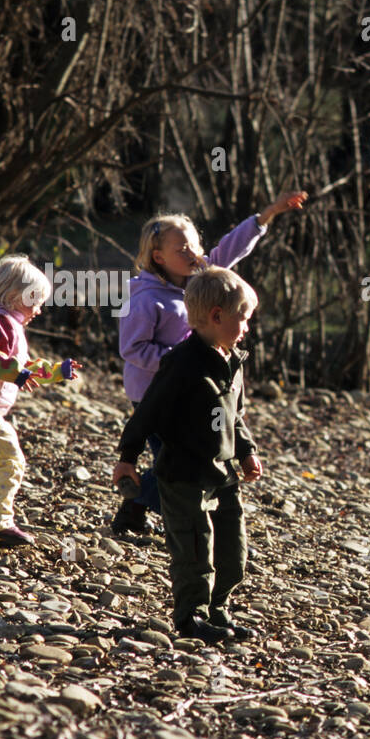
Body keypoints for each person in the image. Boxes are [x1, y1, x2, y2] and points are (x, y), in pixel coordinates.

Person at [113, 190, 305, 534]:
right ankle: (144, 503)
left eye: (194, 246)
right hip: (153, 393)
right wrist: (180, 364)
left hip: (193, 389)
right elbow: (132, 349)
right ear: (158, 257)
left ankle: (138, 504)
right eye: (181, 250)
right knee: (178, 463)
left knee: (188, 457)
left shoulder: (199, 282)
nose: (193, 254)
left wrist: (266, 216)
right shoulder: (143, 299)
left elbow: (227, 251)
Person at [114, 267, 264, 644]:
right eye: (242, 319)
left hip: (224, 473)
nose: (246, 328)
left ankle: (219, 611)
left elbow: (235, 416)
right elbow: (147, 412)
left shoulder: (232, 360)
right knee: (195, 550)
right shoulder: (181, 364)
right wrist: (127, 456)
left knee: (233, 551)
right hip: (184, 476)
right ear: (216, 316)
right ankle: (191, 617)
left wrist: (246, 452)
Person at [0, 255, 81, 546]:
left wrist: (57, 371)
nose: (40, 309)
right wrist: (16, 373)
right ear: (12, 296)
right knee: (11, 461)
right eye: (35, 300)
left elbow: (19, 367)